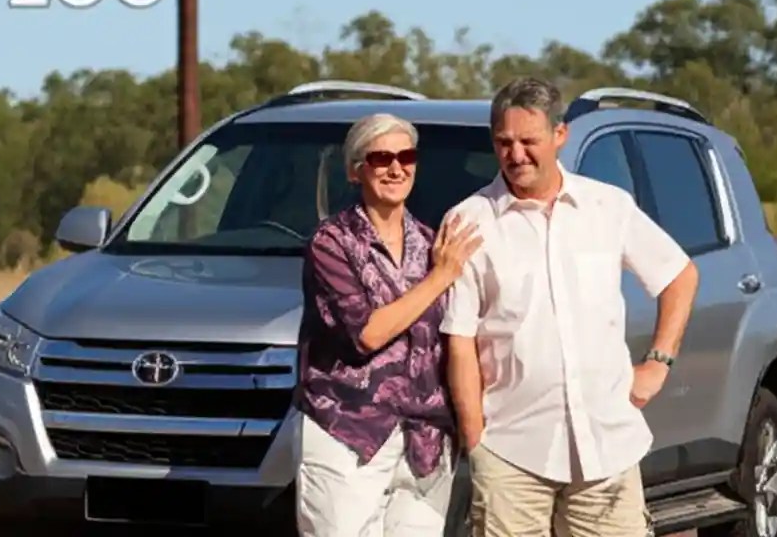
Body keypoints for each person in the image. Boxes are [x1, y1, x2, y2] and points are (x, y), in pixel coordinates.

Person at [439, 77, 699, 537]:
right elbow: (459, 340)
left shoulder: (607, 207)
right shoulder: (468, 222)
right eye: (504, 142)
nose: (516, 154)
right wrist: (475, 437)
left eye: (528, 141)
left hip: (608, 448)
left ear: (560, 136)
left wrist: (658, 361)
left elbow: (679, 275)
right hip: (510, 452)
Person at [295, 112, 483, 536]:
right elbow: (367, 334)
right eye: (381, 158)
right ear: (355, 170)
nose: (396, 168)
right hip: (349, 432)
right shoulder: (332, 242)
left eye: (406, 155)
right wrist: (440, 277)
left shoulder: (431, 241)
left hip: (426, 440)